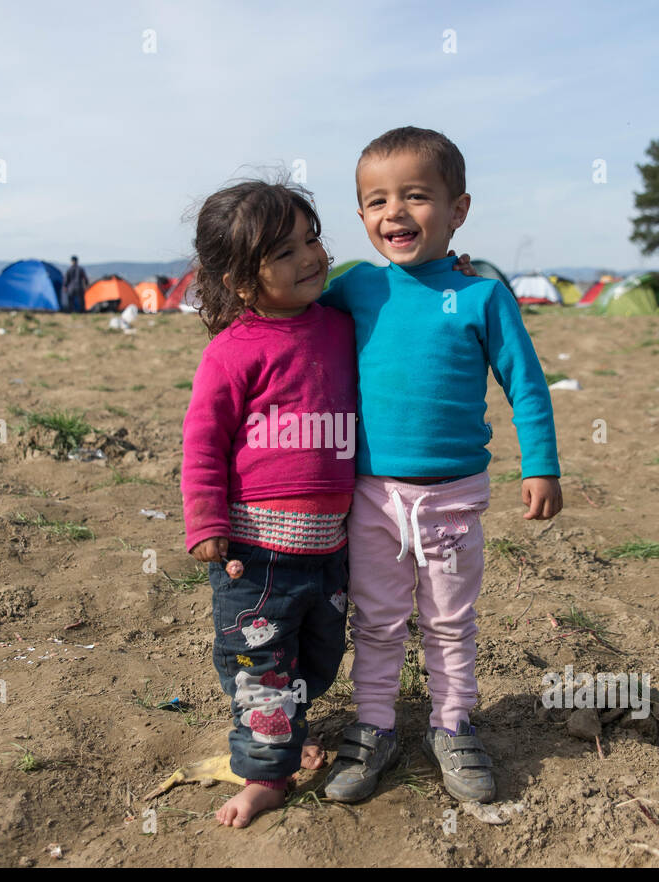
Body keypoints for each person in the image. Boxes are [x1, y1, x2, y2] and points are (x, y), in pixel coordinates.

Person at [318, 127, 562, 804]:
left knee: (451, 618)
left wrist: (540, 464)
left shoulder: (483, 293)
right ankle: (373, 726)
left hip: (453, 497)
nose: (393, 212)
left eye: (416, 196)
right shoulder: (355, 288)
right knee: (376, 617)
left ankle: (452, 725)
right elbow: (290, 310)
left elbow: (527, 383)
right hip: (369, 494)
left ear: (459, 209)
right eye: (375, 201)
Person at [180, 180, 356, 827]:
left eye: (313, 239)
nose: (311, 256)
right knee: (260, 669)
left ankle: (290, 728)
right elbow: (203, 440)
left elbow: (390, 289)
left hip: (329, 549)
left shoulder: (338, 325)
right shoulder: (232, 350)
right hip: (253, 558)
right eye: (286, 252)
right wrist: (205, 520)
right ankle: (265, 776)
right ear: (239, 278)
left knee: (316, 658)